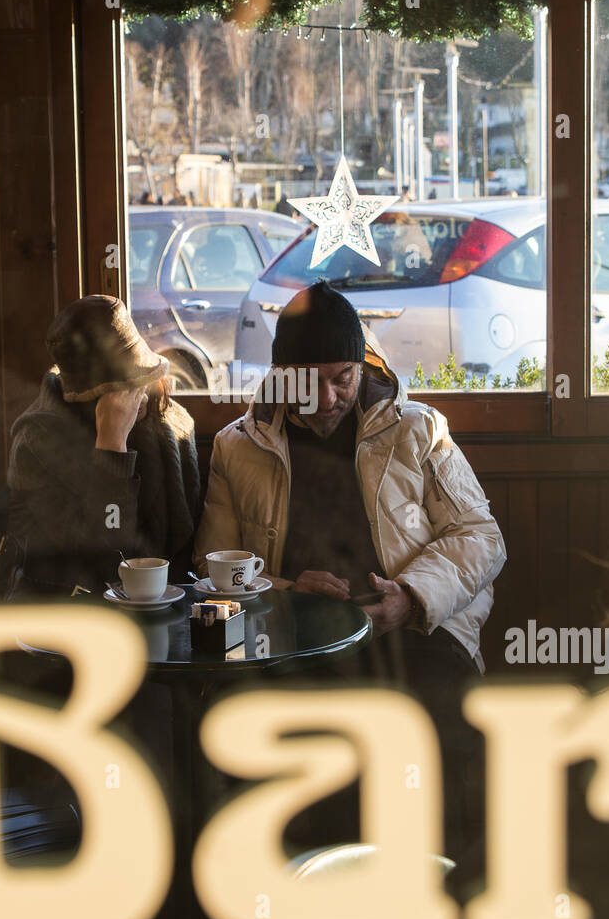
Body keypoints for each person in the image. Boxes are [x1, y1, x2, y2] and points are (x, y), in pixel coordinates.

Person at [194, 279, 506, 856]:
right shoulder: (238, 448)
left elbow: (481, 537)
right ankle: (312, 913)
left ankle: (427, 899)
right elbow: (214, 570)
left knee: (426, 728)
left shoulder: (417, 429)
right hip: (291, 643)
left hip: (415, 633)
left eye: (344, 377)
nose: (333, 396)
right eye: (313, 383)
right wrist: (288, 594)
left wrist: (410, 597)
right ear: (284, 378)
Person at [6, 294, 200, 597]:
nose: (141, 397)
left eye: (142, 379)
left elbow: (185, 549)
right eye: (124, 389)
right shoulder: (37, 440)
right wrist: (112, 447)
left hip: (161, 603)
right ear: (92, 399)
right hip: (67, 608)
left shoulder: (171, 423)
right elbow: (103, 557)